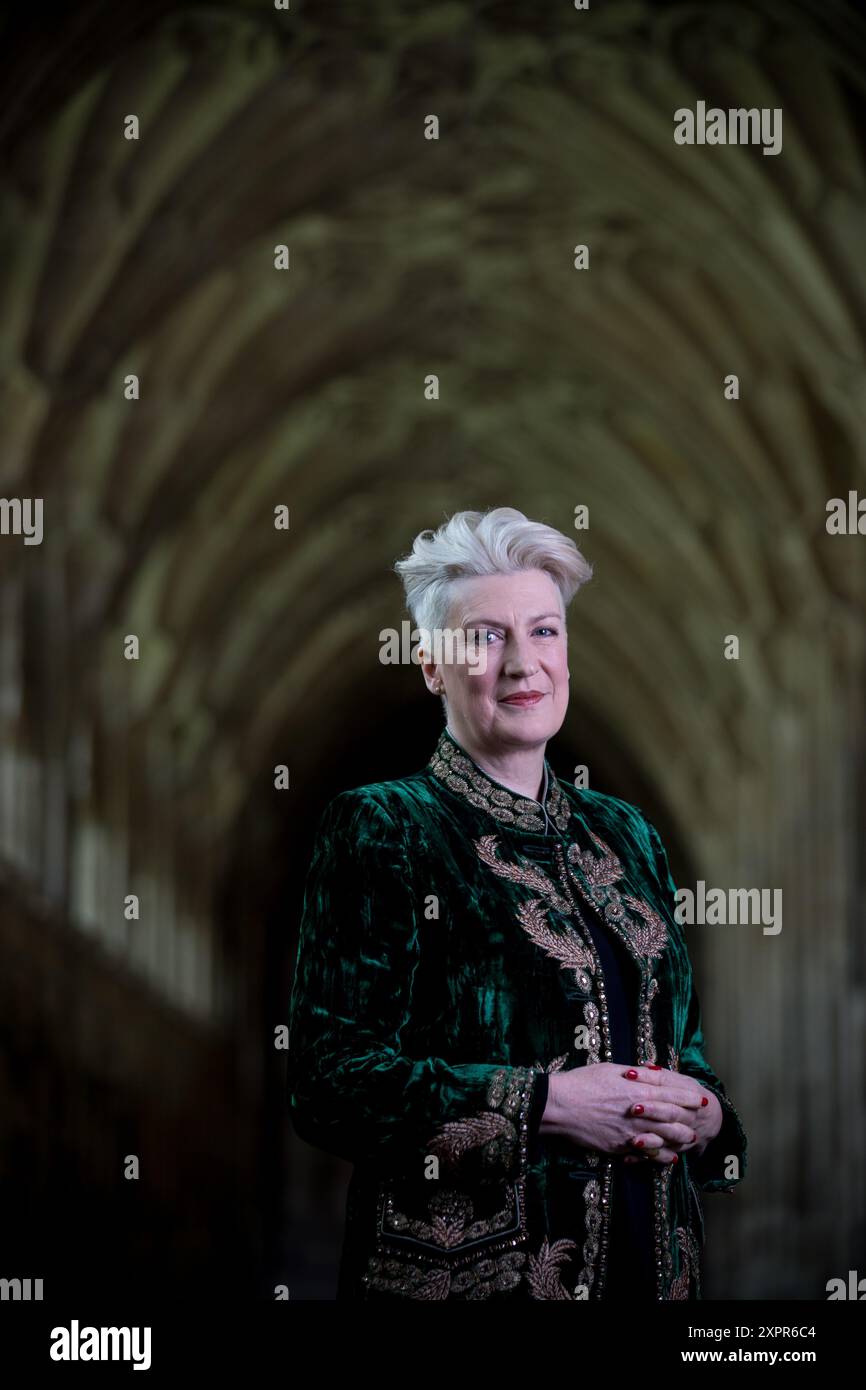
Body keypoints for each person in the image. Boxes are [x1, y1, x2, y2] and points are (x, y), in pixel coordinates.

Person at [286, 506, 747, 1301]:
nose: (523, 664)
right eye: (486, 637)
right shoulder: (383, 826)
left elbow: (684, 1045)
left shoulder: (627, 835)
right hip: (471, 1283)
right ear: (432, 664)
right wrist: (544, 1104)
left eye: (544, 631)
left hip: (653, 1271)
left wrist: (704, 1113)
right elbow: (330, 1082)